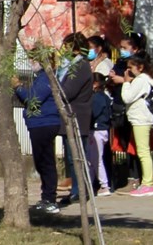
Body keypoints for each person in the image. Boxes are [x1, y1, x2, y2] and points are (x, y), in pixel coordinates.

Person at [14, 61, 62, 214]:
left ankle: (50, 199)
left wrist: (18, 87)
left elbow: (33, 100)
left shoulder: (45, 78)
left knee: (45, 161)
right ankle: (46, 197)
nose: (30, 63)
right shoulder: (40, 78)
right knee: (40, 161)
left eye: (33, 60)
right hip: (38, 124)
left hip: (44, 123)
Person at [108, 31, 147, 191]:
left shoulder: (140, 64)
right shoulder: (120, 62)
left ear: (135, 48)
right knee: (122, 143)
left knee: (135, 146)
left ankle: (136, 177)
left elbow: (138, 82)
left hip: (133, 108)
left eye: (125, 47)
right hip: (119, 104)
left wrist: (122, 80)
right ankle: (124, 177)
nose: (122, 50)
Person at [58, 33, 93, 204]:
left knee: (77, 156)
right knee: (71, 158)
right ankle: (75, 189)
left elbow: (68, 91)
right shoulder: (71, 65)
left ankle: (81, 190)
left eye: (67, 46)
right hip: (70, 117)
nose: (64, 50)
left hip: (77, 116)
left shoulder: (80, 66)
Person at [119, 50, 153, 197]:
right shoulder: (144, 79)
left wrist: (126, 83)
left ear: (140, 67)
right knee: (143, 151)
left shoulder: (141, 80)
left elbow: (127, 97)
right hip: (141, 118)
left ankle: (148, 184)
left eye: (131, 67)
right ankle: (146, 183)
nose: (128, 71)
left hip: (141, 119)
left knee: (143, 152)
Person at [88, 73, 114, 196]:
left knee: (96, 159)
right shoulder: (104, 97)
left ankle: (104, 185)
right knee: (93, 159)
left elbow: (93, 113)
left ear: (95, 84)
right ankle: (89, 183)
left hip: (97, 130)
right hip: (102, 130)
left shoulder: (97, 98)